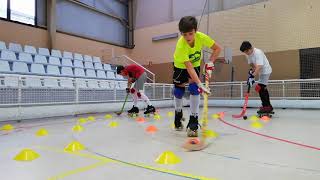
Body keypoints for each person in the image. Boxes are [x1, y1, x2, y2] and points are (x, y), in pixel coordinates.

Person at [173, 16, 221, 137]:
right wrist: (201, 84)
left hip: (195, 64)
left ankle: (193, 120)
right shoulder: (181, 45)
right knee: (179, 91)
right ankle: (178, 113)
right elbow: (188, 68)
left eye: (191, 33)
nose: (188, 37)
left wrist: (210, 62)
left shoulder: (201, 37)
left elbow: (217, 48)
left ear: (195, 30)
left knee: (194, 89)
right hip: (181, 65)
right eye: (185, 35)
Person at [240, 41, 273, 114]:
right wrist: (252, 71)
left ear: (250, 48)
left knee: (260, 88)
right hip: (261, 72)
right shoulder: (249, 54)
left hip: (265, 71)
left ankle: (266, 107)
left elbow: (259, 66)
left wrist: (253, 75)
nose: (246, 53)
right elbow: (251, 64)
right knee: (261, 88)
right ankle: (268, 106)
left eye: (246, 51)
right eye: (245, 52)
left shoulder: (258, 52)